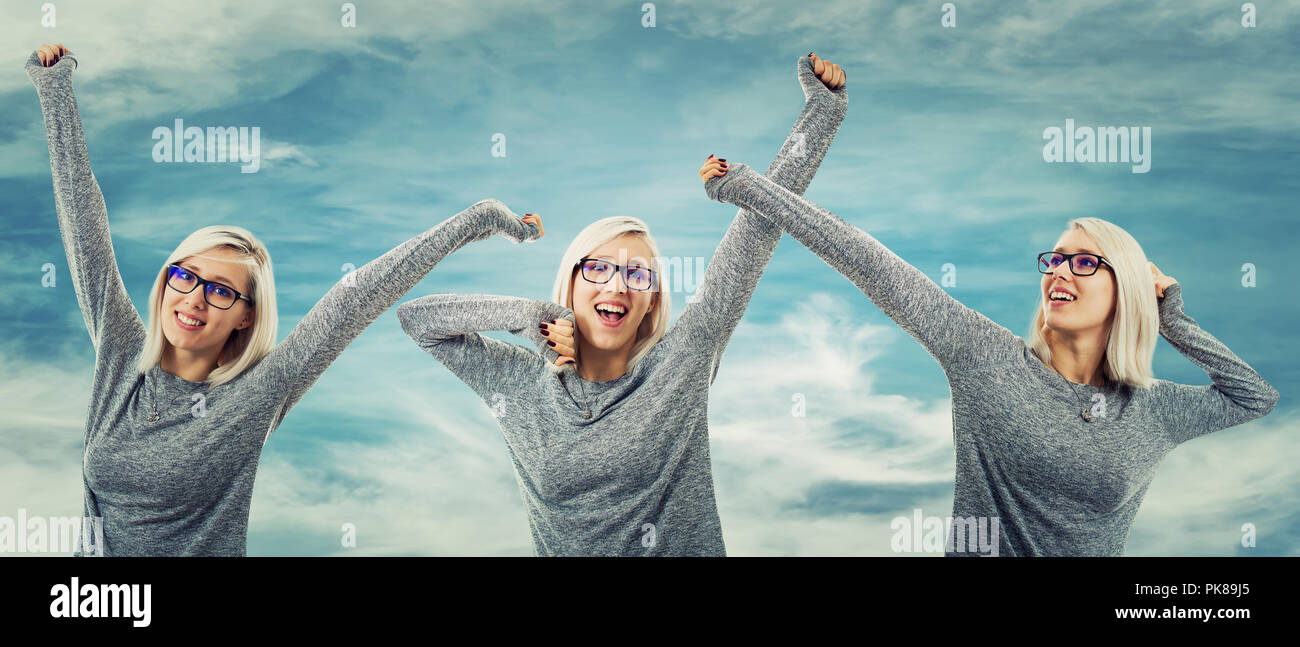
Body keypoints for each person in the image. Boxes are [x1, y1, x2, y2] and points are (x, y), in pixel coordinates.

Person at [28, 44, 543, 555]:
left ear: (245, 316)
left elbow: (354, 297)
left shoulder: (255, 393)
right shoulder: (121, 359)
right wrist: (55, 91)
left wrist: (477, 221)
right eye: (186, 276)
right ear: (166, 281)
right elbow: (84, 228)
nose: (195, 300)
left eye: (221, 291)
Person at [698, 157, 1280, 556]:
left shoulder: (1152, 410)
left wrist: (1172, 318)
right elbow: (867, 260)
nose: (1058, 272)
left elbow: (1254, 397)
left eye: (1083, 262)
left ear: (1123, 288)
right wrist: (747, 188)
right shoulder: (987, 359)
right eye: (1053, 259)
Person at [397, 54, 848, 555]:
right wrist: (531, 318)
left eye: (637, 274)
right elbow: (418, 320)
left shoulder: (682, 361)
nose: (617, 285)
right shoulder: (520, 383)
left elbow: (757, 231)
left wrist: (821, 114)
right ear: (571, 284)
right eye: (599, 267)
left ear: (651, 302)